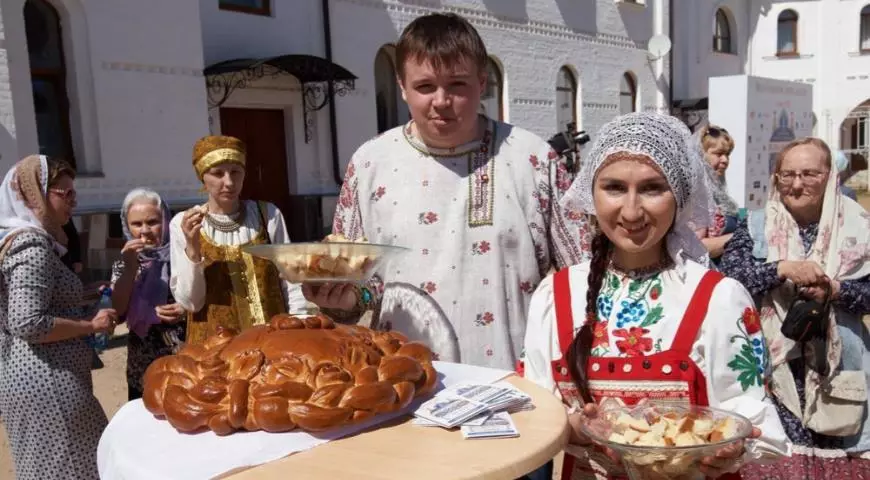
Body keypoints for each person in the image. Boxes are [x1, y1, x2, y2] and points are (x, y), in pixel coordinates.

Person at [304, 12, 590, 372]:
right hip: (406, 387)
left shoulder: (533, 159)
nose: (441, 100)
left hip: (516, 385)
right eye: (425, 86)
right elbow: (367, 288)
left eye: (457, 85)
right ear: (402, 86)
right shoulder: (370, 164)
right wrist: (340, 298)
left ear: (482, 82)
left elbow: (584, 276)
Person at [522, 113, 789, 479]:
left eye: (652, 188)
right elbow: (536, 409)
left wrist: (731, 446)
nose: (631, 211)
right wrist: (568, 426)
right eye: (614, 187)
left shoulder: (717, 299)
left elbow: (750, 413)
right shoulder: (556, 295)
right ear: (591, 192)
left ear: (679, 196)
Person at [720, 137, 870, 478]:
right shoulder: (756, 225)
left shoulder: (860, 228)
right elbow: (730, 281)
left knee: (838, 458)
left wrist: (835, 289)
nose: (797, 184)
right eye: (787, 175)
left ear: (830, 176)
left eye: (809, 174)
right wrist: (780, 269)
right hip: (774, 369)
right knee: (779, 459)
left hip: (839, 365)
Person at [0, 155, 117, 480]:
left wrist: (84, 292)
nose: (73, 201)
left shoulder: (17, 240)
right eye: (64, 194)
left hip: (31, 378)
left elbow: (37, 300)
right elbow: (27, 322)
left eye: (73, 193)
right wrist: (90, 325)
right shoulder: (33, 247)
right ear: (34, 195)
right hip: (48, 383)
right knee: (76, 468)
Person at [169, 135, 307, 345]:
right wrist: (193, 248)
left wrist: (298, 324)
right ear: (203, 178)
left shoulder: (268, 215)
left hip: (271, 342)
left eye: (235, 172)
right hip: (213, 349)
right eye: (217, 173)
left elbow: (291, 278)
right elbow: (191, 303)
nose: (229, 182)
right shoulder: (183, 224)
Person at [112, 188, 186, 400]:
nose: (145, 231)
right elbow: (118, 311)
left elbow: (202, 297)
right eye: (136, 224)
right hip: (143, 363)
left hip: (186, 358)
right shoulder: (124, 262)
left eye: (152, 221)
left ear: (165, 221)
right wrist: (129, 268)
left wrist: (185, 309)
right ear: (127, 226)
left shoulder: (184, 255)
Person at [695, 125, 741, 260]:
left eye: (727, 154)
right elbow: (696, 247)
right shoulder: (697, 196)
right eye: (718, 154)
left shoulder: (719, 194)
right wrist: (741, 237)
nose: (725, 160)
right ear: (701, 155)